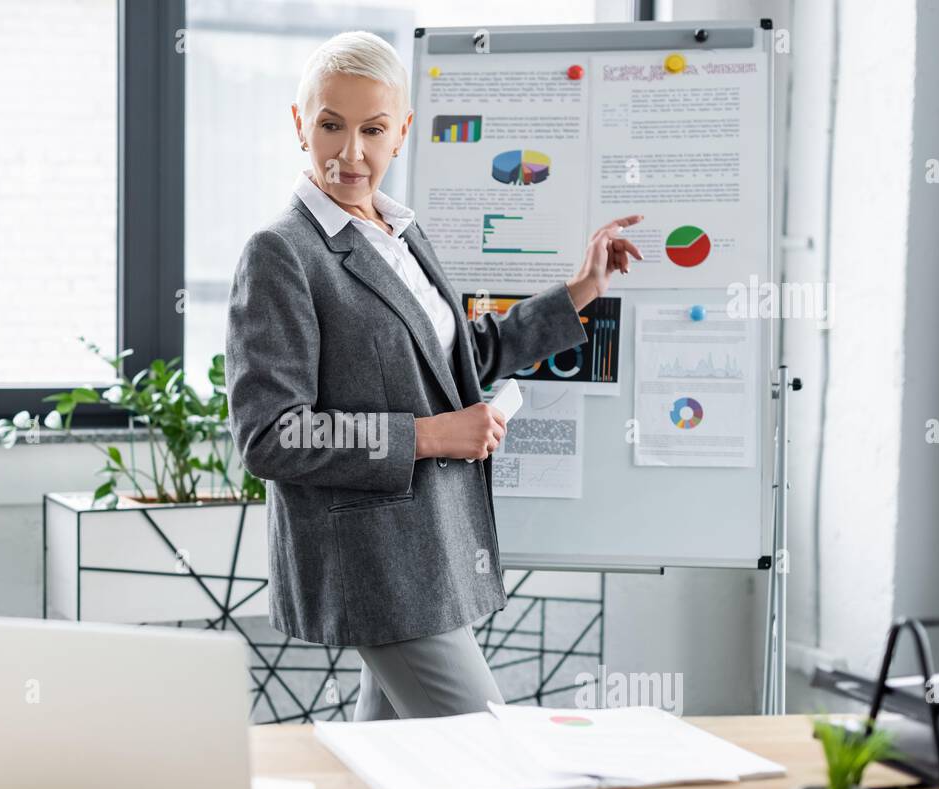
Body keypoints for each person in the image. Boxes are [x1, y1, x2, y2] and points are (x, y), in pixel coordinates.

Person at [225, 31, 641, 721]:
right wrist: (431, 435)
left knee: (390, 762)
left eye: (372, 129)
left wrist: (579, 291)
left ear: (402, 131)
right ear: (300, 124)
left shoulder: (399, 233)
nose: (351, 152)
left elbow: (456, 359)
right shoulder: (281, 253)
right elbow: (271, 437)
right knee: (485, 747)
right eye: (330, 125)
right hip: (377, 563)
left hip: (433, 548)